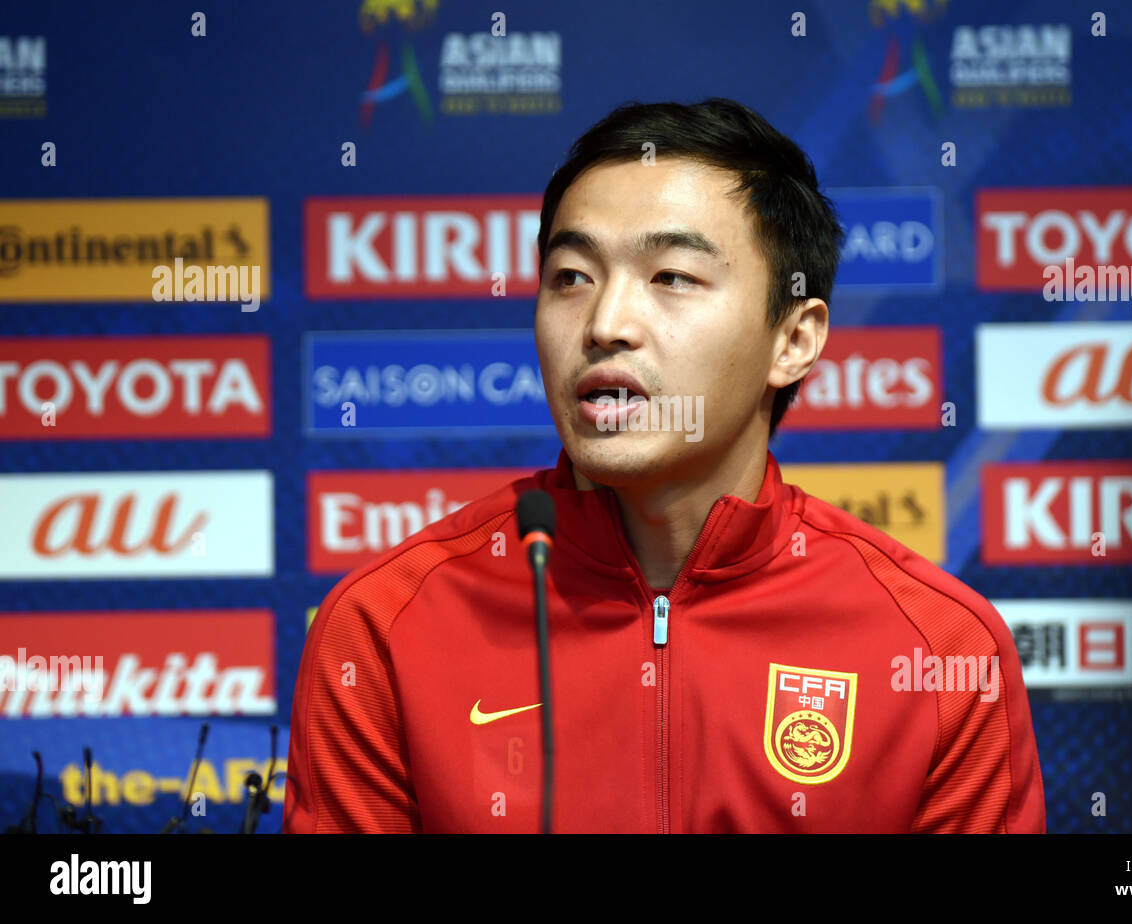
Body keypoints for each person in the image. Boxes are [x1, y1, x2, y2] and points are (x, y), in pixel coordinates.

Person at [283, 98, 1045, 833]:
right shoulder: (384, 627)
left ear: (795, 340)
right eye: (571, 278)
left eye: (671, 278)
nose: (606, 325)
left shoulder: (940, 648)